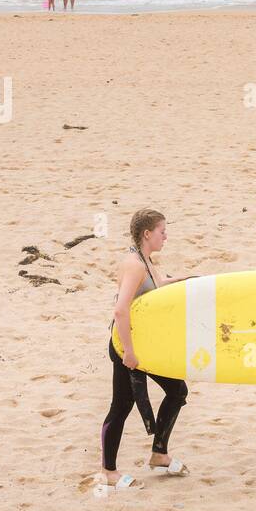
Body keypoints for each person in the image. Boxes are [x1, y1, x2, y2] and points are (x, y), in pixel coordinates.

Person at [100, 209, 192, 488]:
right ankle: (108, 473)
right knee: (122, 406)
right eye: (162, 231)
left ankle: (159, 454)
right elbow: (120, 310)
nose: (166, 236)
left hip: (146, 346)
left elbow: (159, 286)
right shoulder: (134, 264)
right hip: (127, 347)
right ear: (147, 234)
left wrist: (188, 282)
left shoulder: (146, 260)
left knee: (177, 391)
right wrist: (128, 352)